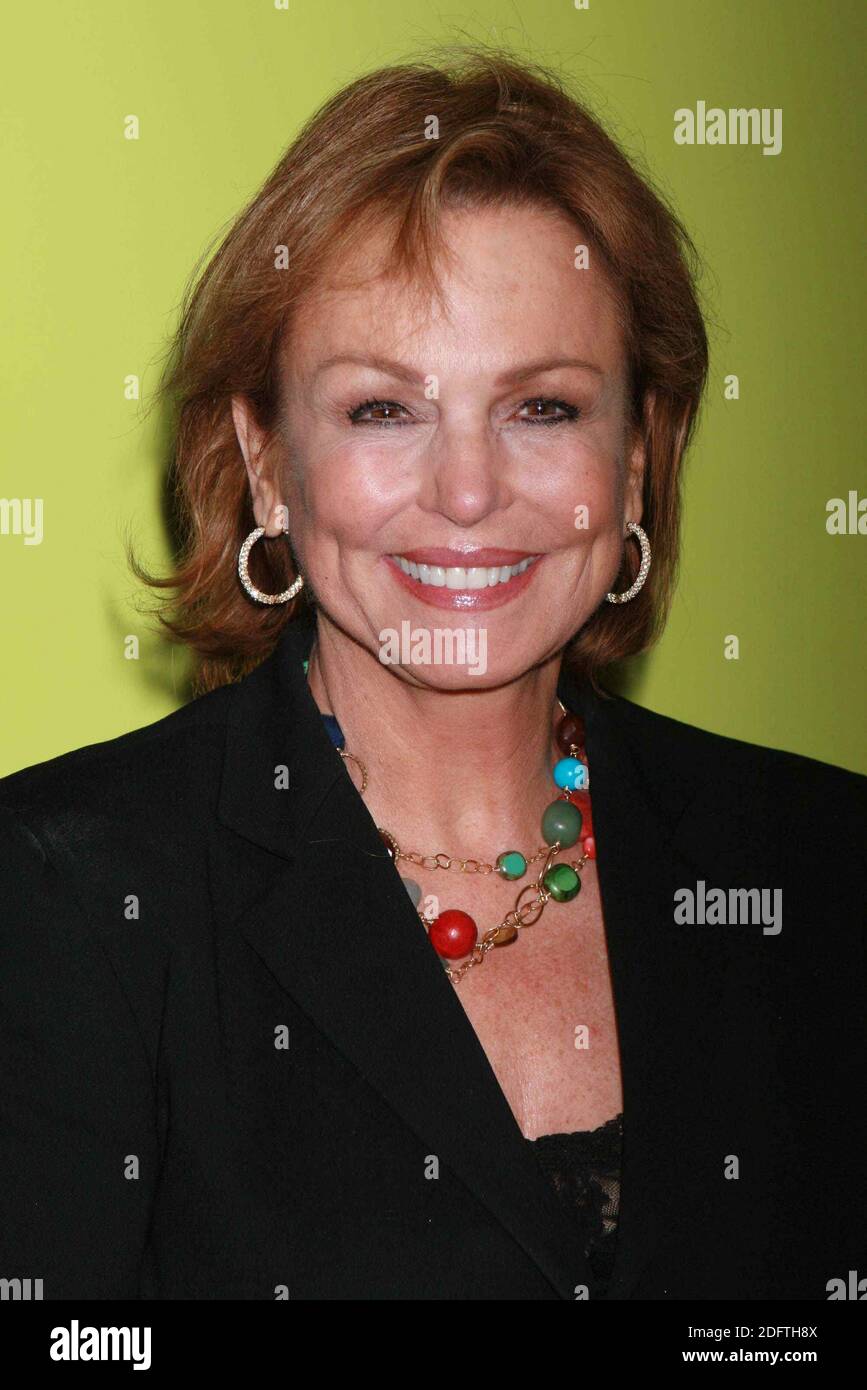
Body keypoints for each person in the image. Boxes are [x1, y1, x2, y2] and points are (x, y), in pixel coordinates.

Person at [1, 48, 864, 1301]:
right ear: (265, 462)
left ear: (636, 460)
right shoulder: (65, 896)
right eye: (383, 411)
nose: (469, 493)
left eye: (544, 409)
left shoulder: (820, 862)